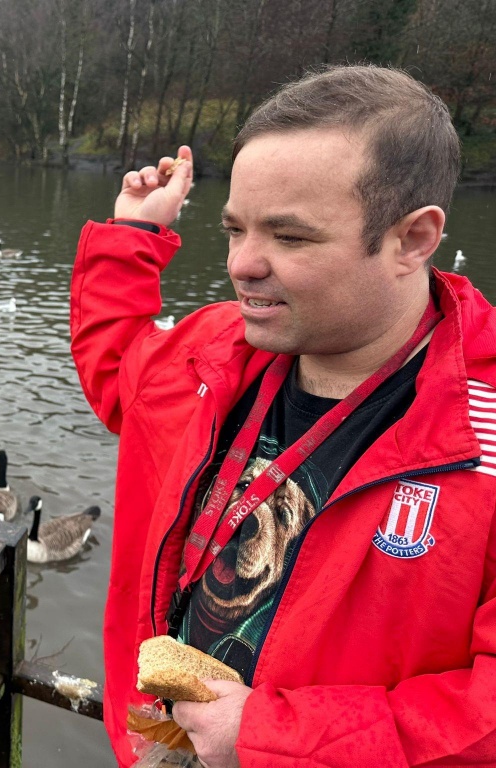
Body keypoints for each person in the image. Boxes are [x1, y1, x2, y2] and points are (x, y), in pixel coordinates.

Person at [70, 64, 496, 768]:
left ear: (414, 239)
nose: (242, 264)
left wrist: (271, 739)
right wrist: (131, 237)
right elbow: (119, 374)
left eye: (289, 238)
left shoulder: (477, 437)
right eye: (235, 228)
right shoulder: (214, 349)